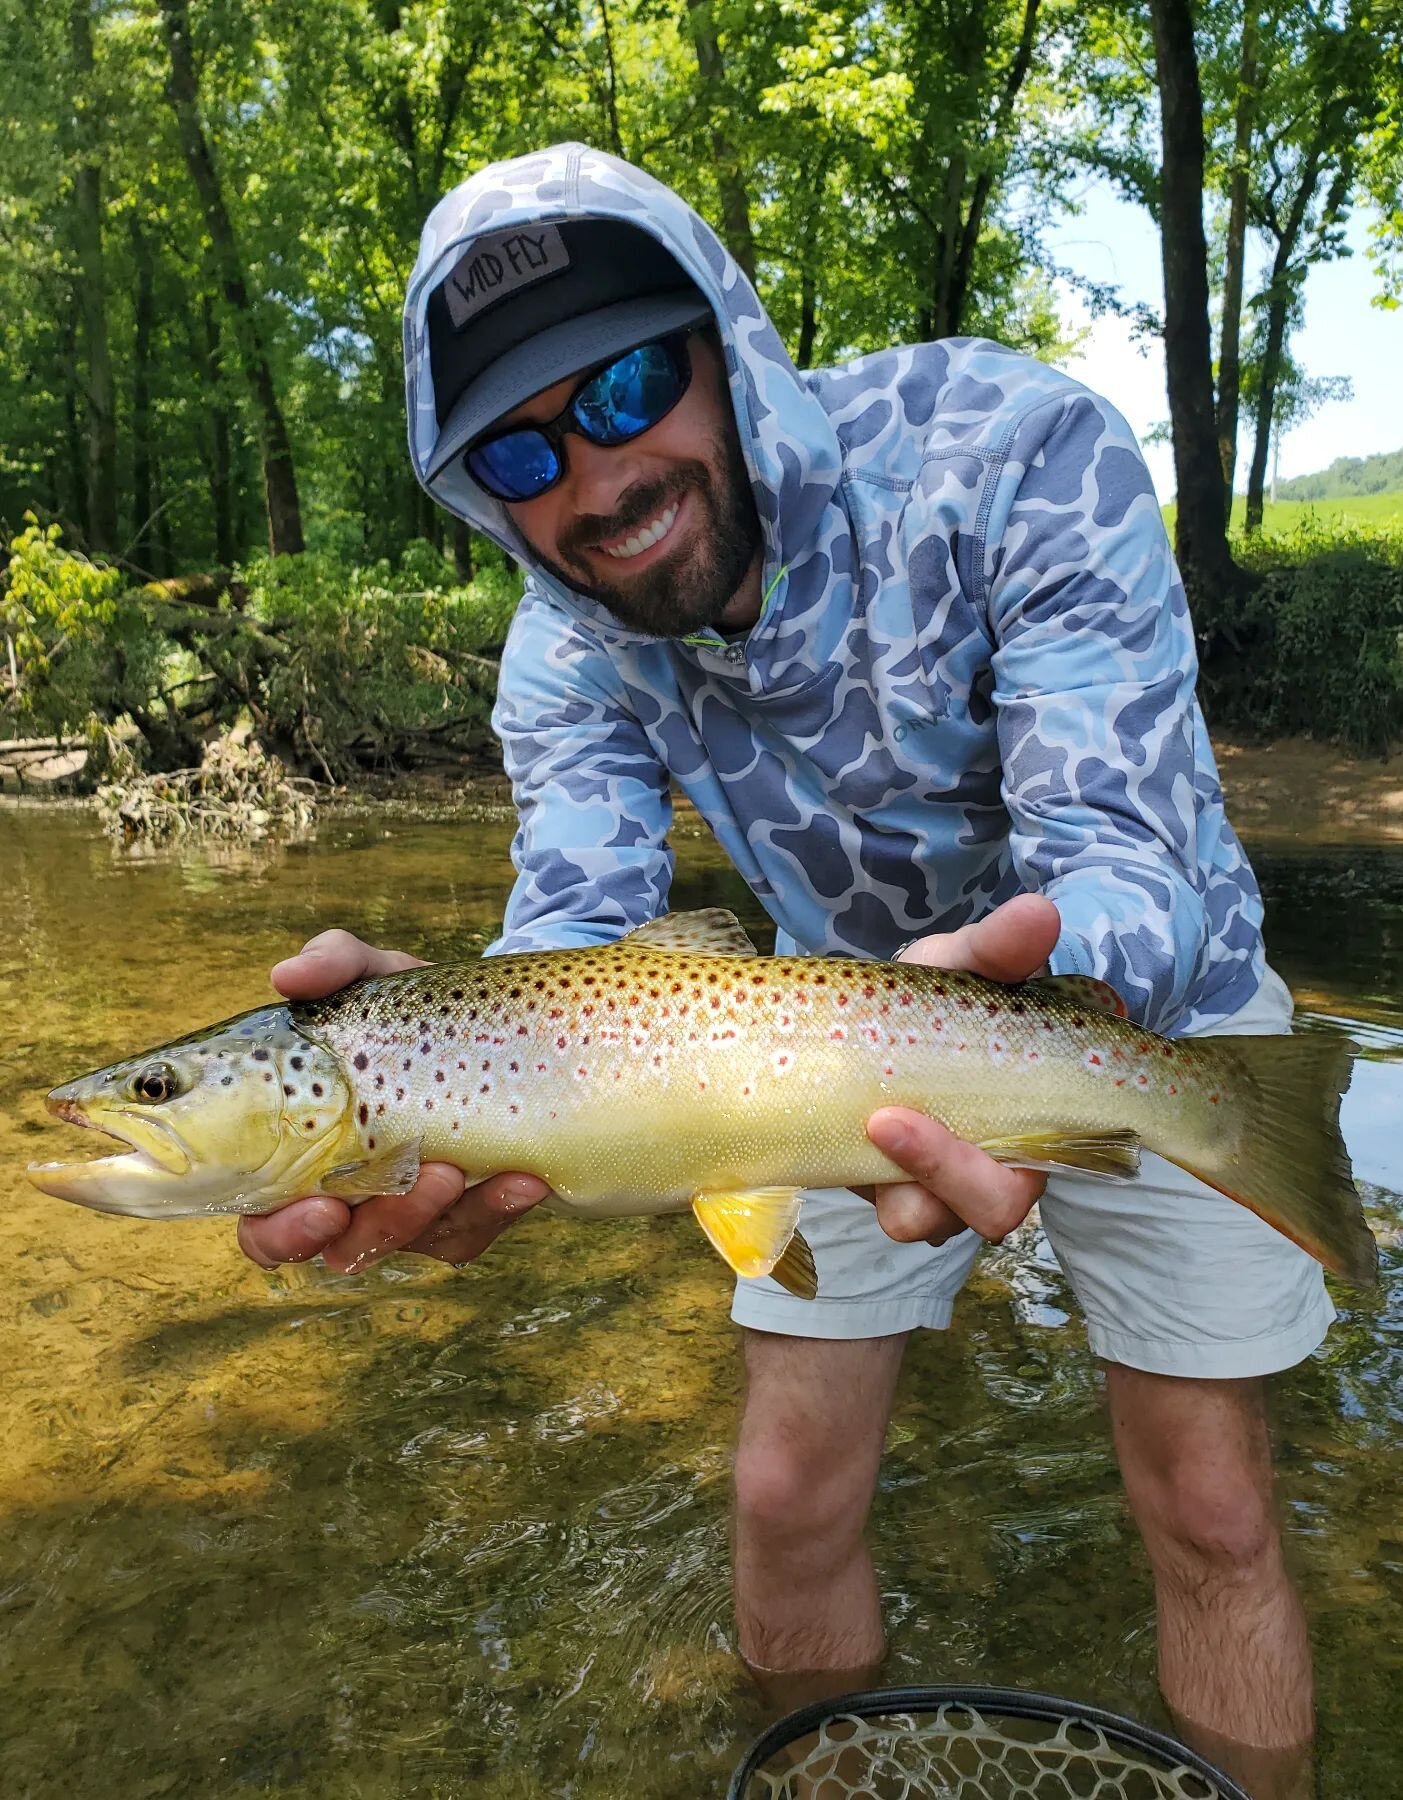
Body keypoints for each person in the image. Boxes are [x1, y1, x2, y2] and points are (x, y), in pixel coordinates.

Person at [241, 144, 1330, 1794]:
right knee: (784, 1491)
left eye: (624, 387)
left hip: (1158, 1007)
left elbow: (1129, 858)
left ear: (726, 345)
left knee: (1212, 1502)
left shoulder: (1015, 446)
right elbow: (576, 940)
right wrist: (435, 1046)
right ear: (484, 496)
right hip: (808, 1047)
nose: (595, 477)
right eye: (521, 450)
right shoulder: (565, 651)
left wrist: (1019, 986)